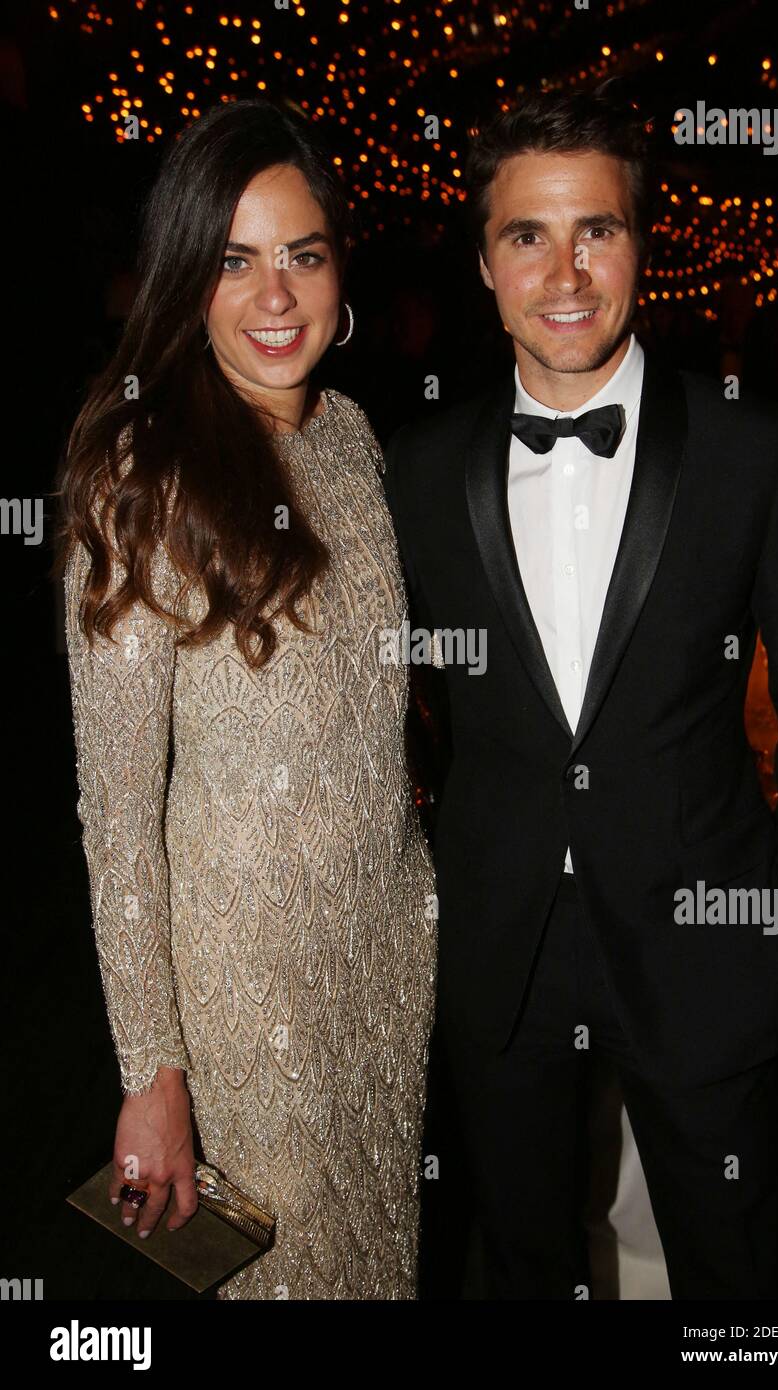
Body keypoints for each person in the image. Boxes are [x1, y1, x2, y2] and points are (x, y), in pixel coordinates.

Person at [382, 85, 778, 1299]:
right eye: (524, 235)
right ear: (485, 264)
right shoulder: (420, 470)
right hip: (502, 959)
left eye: (593, 229)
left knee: (737, 1281)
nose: (563, 271)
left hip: (706, 948)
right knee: (524, 1265)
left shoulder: (751, 448)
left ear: (640, 248)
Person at [57, 99, 436, 1300]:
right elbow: (115, 814)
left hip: (387, 957)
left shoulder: (357, 436)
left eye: (301, 255)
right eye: (234, 260)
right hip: (245, 1001)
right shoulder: (139, 473)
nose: (275, 297)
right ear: (185, 280)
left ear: (337, 274)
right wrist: (151, 1070)